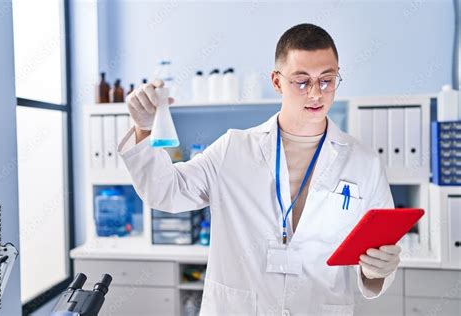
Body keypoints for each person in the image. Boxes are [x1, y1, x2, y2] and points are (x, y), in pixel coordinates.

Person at [118, 23, 401, 315]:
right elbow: (166, 192)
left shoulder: (364, 163)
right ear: (277, 82)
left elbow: (379, 256)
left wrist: (378, 269)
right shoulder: (234, 149)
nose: (316, 93)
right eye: (302, 81)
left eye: (327, 80)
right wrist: (143, 128)